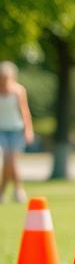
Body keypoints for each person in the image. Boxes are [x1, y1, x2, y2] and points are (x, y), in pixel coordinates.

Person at [0, 61, 36, 203]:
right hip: (1, 130)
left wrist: (29, 130)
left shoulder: (18, 91)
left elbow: (24, 112)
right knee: (9, 161)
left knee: (11, 161)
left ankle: (4, 192)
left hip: (16, 129)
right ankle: (18, 189)